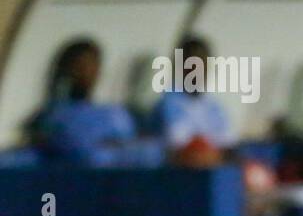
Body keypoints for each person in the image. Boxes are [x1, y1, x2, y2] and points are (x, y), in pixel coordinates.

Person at [34, 39, 138, 167]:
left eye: (90, 65)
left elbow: (128, 152)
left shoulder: (115, 115)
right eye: (79, 66)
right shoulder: (55, 116)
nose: (84, 72)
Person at [153, 36, 236, 168]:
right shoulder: (168, 104)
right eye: (192, 64)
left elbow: (228, 147)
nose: (197, 71)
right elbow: (178, 151)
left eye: (202, 64)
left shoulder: (215, 107)